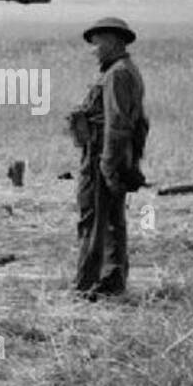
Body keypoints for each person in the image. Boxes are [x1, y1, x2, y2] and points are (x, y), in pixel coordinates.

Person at [68, 16, 148, 300]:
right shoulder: (122, 70)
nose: (93, 50)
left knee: (94, 218)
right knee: (112, 219)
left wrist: (108, 163)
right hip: (111, 153)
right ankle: (111, 281)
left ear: (113, 42)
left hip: (103, 153)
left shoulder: (117, 74)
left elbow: (117, 123)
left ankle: (89, 284)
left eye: (97, 43)